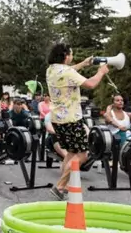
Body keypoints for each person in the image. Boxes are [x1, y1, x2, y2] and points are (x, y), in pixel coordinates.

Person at [45, 41, 110, 200]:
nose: (72, 57)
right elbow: (90, 84)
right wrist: (101, 72)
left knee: (70, 154)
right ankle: (60, 186)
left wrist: (84, 63)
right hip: (72, 119)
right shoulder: (67, 72)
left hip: (58, 120)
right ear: (66, 56)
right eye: (71, 54)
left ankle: (64, 187)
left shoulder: (51, 70)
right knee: (82, 154)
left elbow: (69, 70)